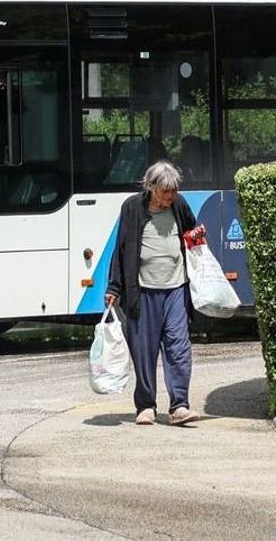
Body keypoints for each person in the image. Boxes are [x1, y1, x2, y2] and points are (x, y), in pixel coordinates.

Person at [105, 160, 200, 426]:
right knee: (144, 351)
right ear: (151, 186)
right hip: (143, 292)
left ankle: (179, 405)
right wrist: (115, 287)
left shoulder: (179, 205)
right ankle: (146, 406)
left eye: (173, 191)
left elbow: (192, 235)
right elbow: (121, 250)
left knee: (179, 348)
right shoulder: (132, 208)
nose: (170, 196)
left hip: (176, 290)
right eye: (165, 191)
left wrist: (197, 235)